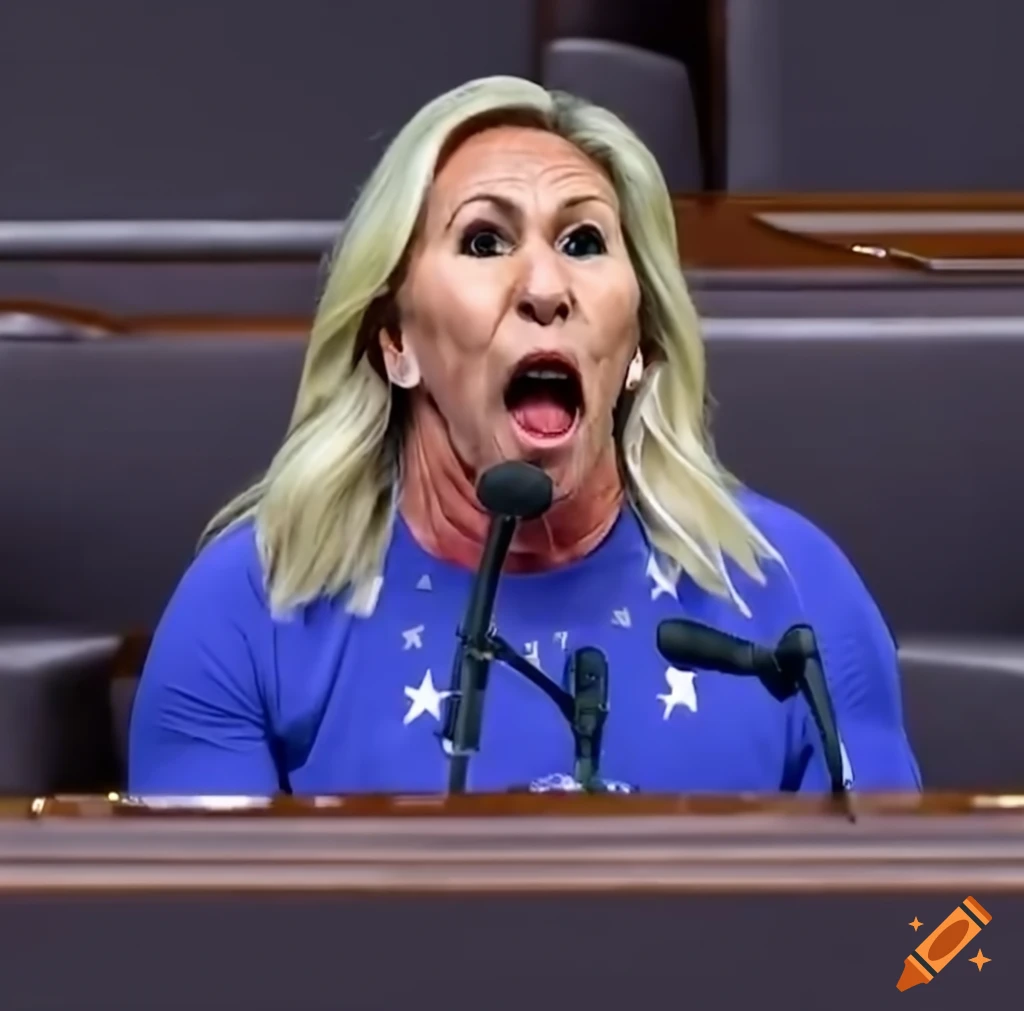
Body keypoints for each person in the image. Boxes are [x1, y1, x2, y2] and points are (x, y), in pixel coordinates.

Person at [129, 76, 920, 796]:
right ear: (394, 343)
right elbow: (199, 946)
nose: (545, 288)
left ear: (640, 342)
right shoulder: (249, 608)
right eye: (484, 242)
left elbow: (914, 936)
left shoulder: (794, 592)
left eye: (583, 242)